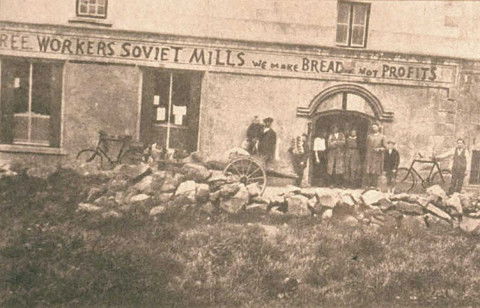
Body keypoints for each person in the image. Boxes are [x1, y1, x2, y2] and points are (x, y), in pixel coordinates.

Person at [365, 123, 385, 188]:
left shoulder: (382, 137)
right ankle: (369, 185)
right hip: (370, 155)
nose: (374, 129)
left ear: (378, 128)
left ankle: (375, 185)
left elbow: (385, 147)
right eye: (373, 127)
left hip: (377, 156)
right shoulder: (369, 136)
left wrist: (379, 149)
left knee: (376, 170)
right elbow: (367, 145)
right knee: (369, 169)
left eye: (375, 127)